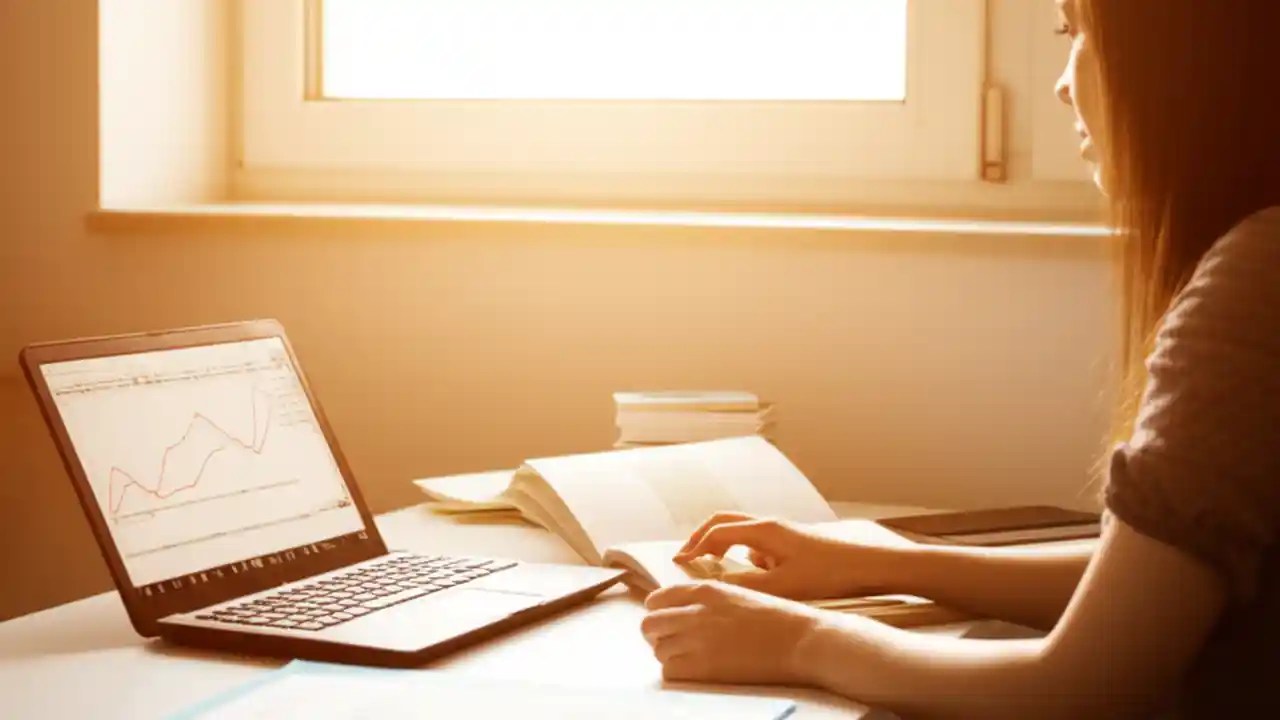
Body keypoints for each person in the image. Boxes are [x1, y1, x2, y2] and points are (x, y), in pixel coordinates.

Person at [639, 1, 1280, 717]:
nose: (1065, 84)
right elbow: (1151, 588)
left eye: (1079, 35)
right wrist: (882, 561)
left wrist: (803, 643)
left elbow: (1081, 684)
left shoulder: (1259, 280)